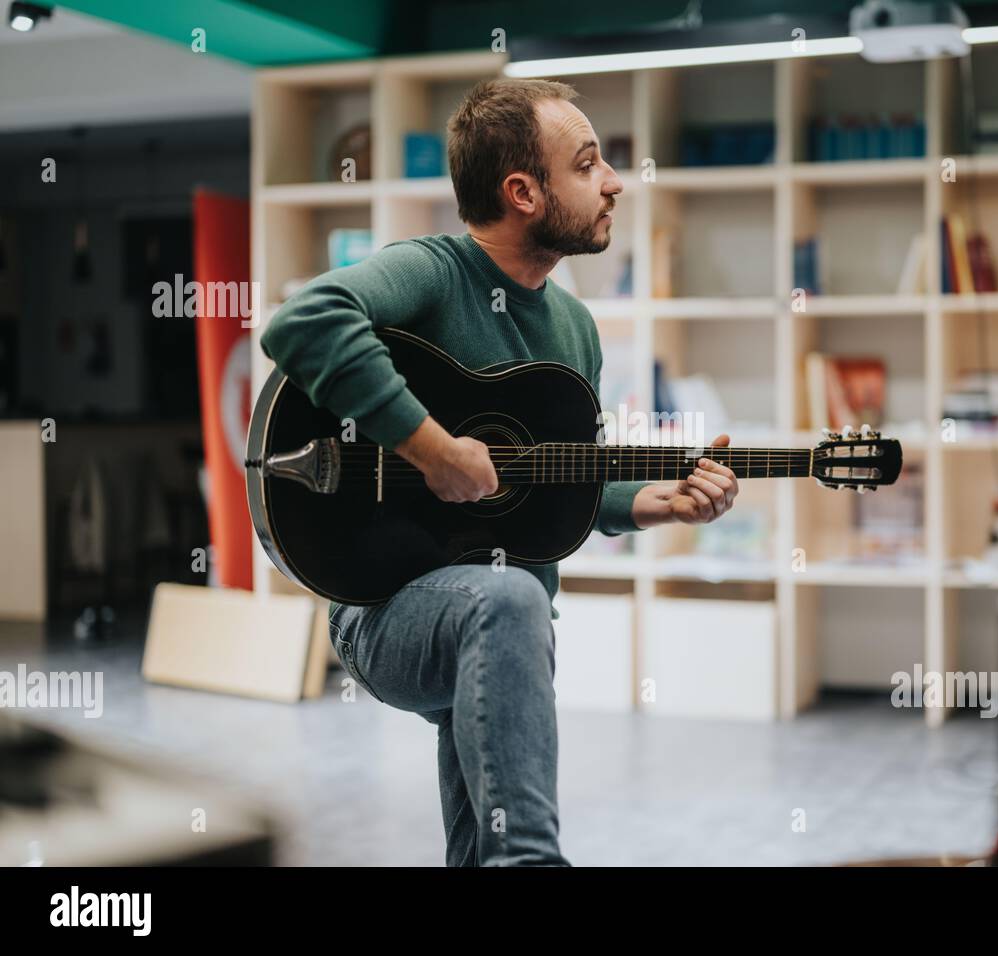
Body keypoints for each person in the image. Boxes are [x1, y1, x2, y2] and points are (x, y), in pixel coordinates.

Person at [260, 78, 740, 866]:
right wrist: (433, 449)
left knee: (479, 842)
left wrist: (650, 503)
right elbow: (303, 323)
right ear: (523, 192)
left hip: (496, 618)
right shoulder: (432, 273)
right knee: (510, 601)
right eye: (588, 165)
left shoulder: (575, 328)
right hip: (381, 604)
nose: (615, 182)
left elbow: (546, 483)